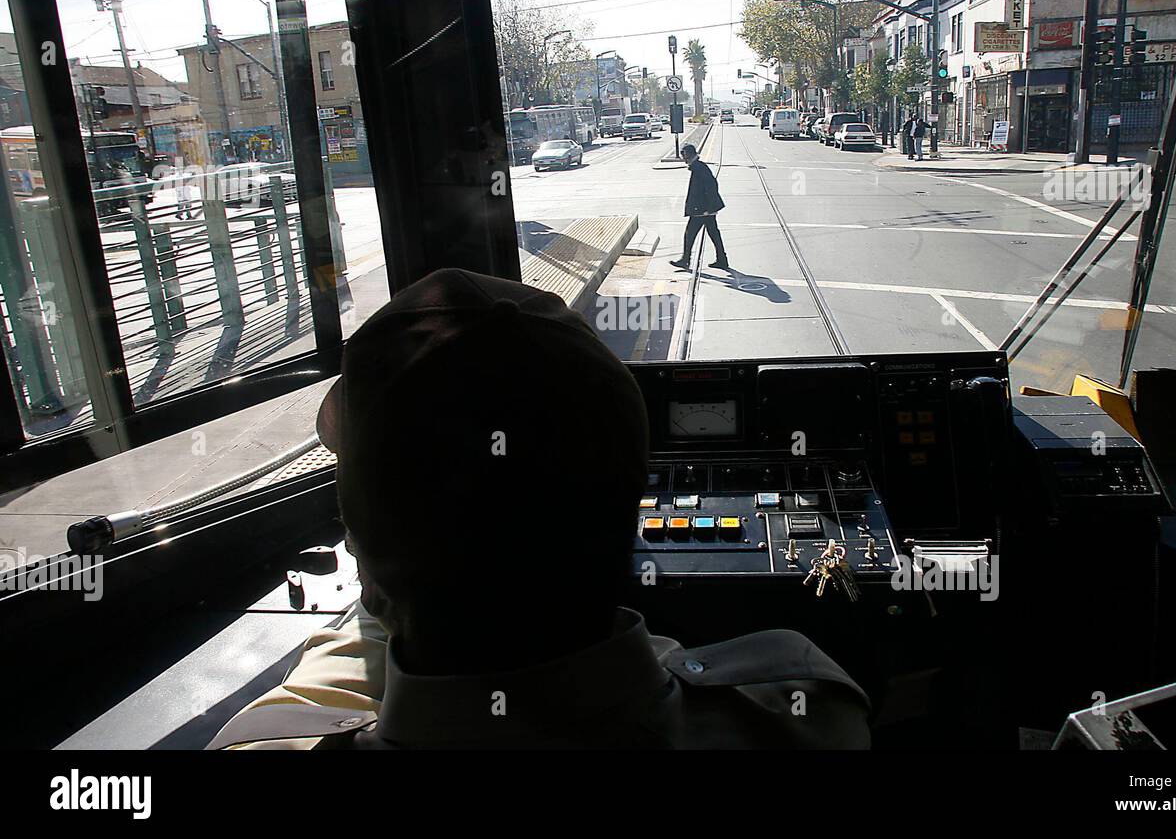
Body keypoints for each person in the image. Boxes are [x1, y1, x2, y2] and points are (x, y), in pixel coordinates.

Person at [208, 268, 871, 749]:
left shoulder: (267, 740)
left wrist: (390, 575)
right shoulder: (808, 709)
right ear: (628, 524)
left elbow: (346, 664)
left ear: (372, 570)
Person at [669, 143, 728, 271]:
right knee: (714, 234)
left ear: (689, 154)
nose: (683, 159)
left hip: (702, 210)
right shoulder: (698, 167)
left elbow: (711, 187)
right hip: (704, 210)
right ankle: (722, 260)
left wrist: (709, 208)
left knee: (689, 234)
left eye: (684, 155)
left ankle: (686, 260)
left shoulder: (699, 168)